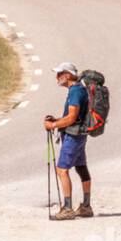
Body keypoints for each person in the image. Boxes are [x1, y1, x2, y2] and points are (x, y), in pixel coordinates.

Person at [44, 61, 93, 220]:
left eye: (59, 74)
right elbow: (75, 116)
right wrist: (57, 120)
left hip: (73, 136)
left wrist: (53, 125)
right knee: (81, 168)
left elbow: (72, 118)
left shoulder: (75, 92)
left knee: (62, 170)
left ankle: (67, 208)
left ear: (68, 75)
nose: (57, 77)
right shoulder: (79, 89)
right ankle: (86, 206)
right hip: (80, 134)